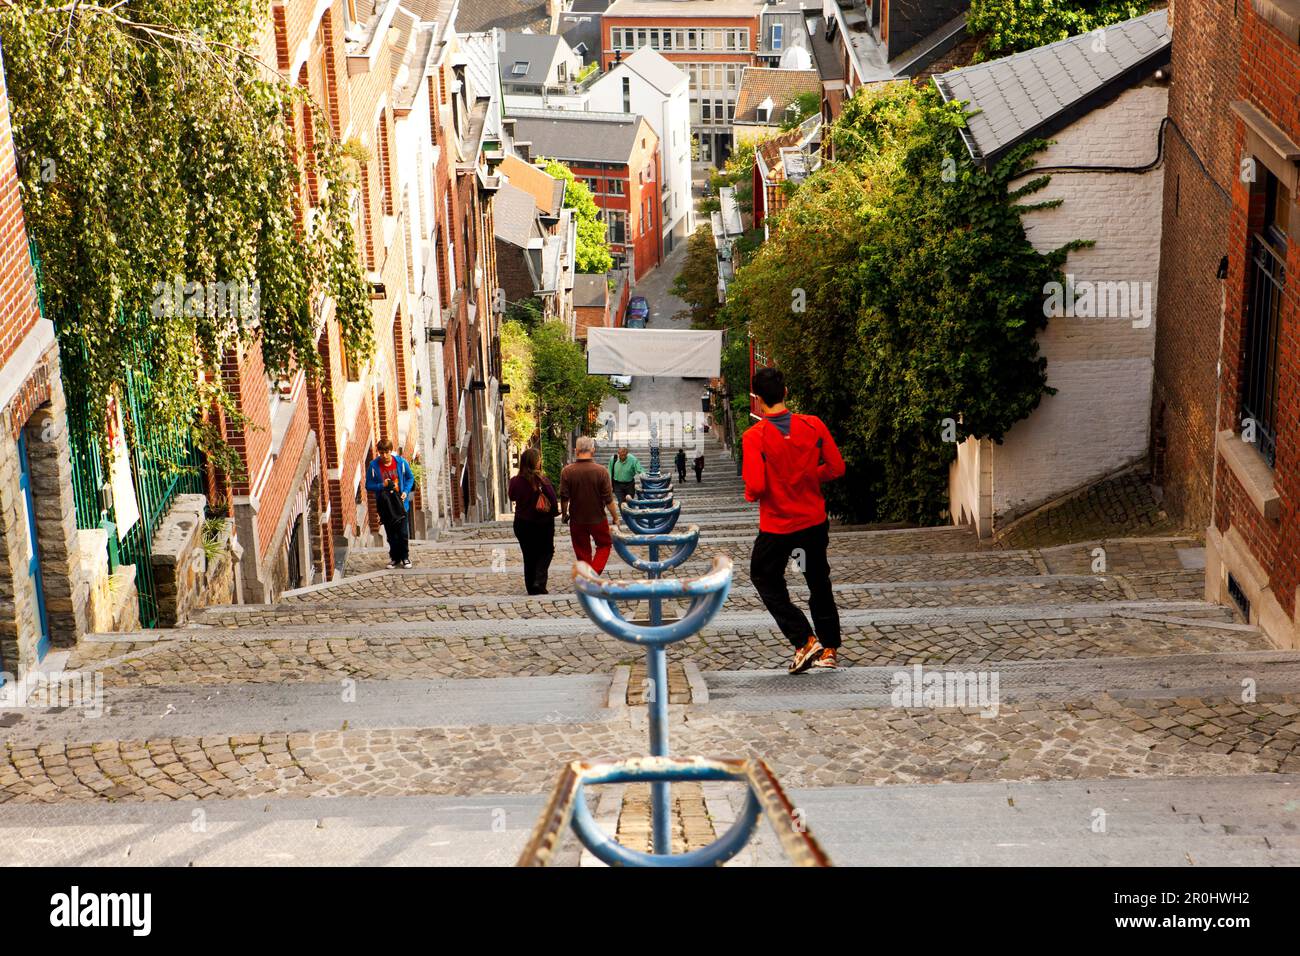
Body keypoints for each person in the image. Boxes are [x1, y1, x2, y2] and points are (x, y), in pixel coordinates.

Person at [742, 367, 846, 674]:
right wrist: (809, 477)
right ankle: (828, 649)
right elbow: (836, 467)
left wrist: (754, 493)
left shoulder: (755, 436)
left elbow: (756, 487)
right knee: (818, 580)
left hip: (778, 524)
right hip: (813, 519)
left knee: (763, 577)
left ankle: (803, 639)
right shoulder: (812, 425)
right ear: (785, 392)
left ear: (758, 400)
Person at [560, 435, 621, 573]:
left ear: (576, 451)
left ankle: (588, 575)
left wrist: (564, 514)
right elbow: (608, 499)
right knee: (605, 544)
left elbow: (564, 497)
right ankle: (594, 572)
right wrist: (615, 517)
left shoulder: (567, 471)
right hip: (598, 518)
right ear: (593, 450)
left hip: (577, 519)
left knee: (582, 550)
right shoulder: (601, 471)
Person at [508, 447, 558, 595]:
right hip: (542, 523)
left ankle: (531, 587)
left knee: (528, 555)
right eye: (539, 460)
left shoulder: (515, 481)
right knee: (547, 551)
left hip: (522, 523)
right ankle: (539, 582)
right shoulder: (542, 480)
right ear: (534, 462)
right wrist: (554, 513)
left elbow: (512, 497)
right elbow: (553, 501)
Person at [365, 439, 415, 569]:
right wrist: (383, 485)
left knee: (403, 533)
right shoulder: (373, 466)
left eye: (386, 452)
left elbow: (410, 478)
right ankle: (394, 558)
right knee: (391, 535)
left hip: (401, 504)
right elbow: (368, 485)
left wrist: (405, 491)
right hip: (386, 506)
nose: (384, 456)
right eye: (381, 453)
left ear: (391, 451)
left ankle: (405, 557)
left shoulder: (401, 463)